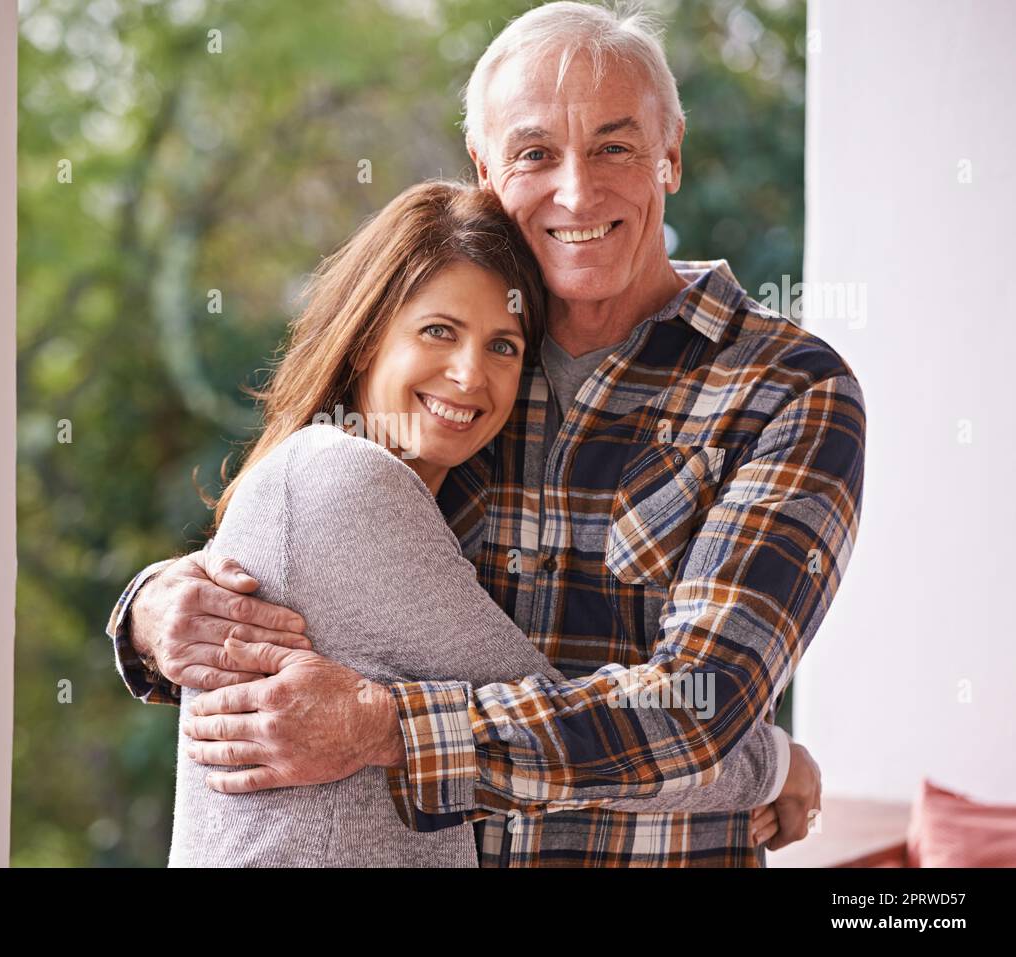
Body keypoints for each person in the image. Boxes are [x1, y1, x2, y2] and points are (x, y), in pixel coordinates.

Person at [109, 1, 859, 867]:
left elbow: (700, 709)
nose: (577, 191)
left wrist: (382, 727)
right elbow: (298, 547)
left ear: (672, 156)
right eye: (536, 153)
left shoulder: (787, 389)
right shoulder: (455, 377)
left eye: (616, 146)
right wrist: (152, 611)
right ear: (485, 169)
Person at [159, 180, 793, 866]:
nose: (469, 374)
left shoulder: (366, 484)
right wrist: (777, 765)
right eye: (439, 331)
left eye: (503, 346)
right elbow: (574, 740)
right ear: (368, 336)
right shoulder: (348, 483)